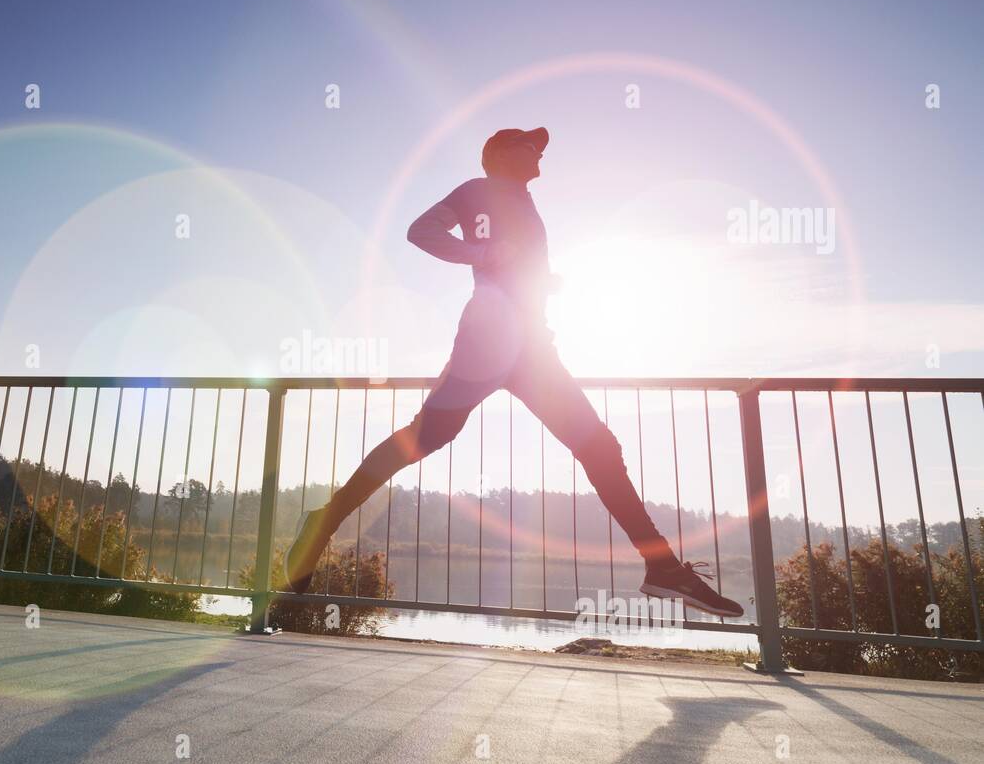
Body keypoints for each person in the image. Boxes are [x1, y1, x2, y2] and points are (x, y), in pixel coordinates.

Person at [283, 126, 744, 618]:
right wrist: (480, 254)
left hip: (529, 345)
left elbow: (511, 267)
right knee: (424, 439)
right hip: (491, 339)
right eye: (530, 144)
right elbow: (421, 231)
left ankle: (664, 568)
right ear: (500, 153)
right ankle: (322, 524)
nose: (540, 151)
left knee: (597, 447)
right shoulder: (478, 191)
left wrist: (541, 281)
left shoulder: (522, 201)